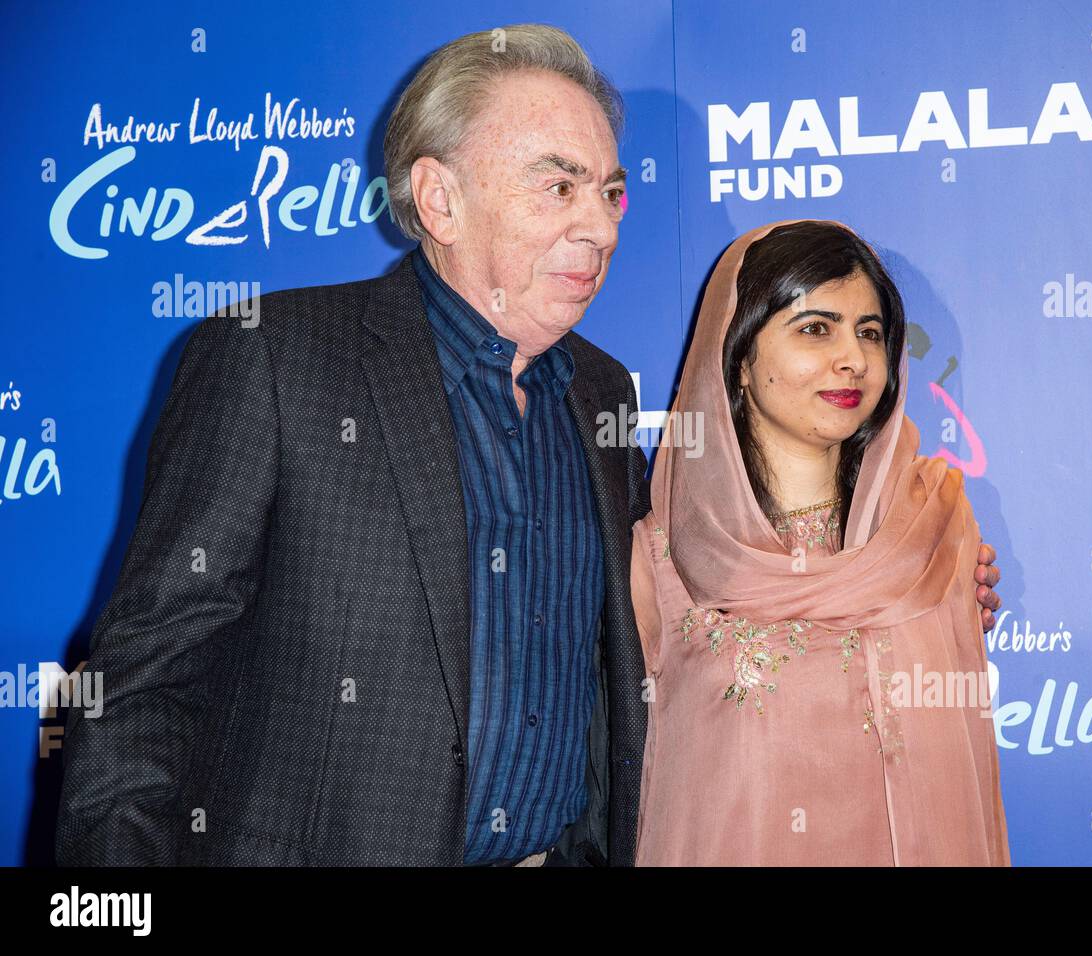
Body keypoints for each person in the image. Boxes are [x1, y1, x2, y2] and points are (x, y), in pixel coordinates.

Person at [54, 26, 1002, 867]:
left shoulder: (597, 393)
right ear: (438, 198)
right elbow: (143, 678)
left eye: (611, 192)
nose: (598, 225)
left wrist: (908, 578)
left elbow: (695, 593)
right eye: (558, 185)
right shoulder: (276, 358)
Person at [630, 219, 1011, 865]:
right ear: (740, 358)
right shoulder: (666, 559)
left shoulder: (933, 524)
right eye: (815, 328)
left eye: (869, 333)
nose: (853, 359)